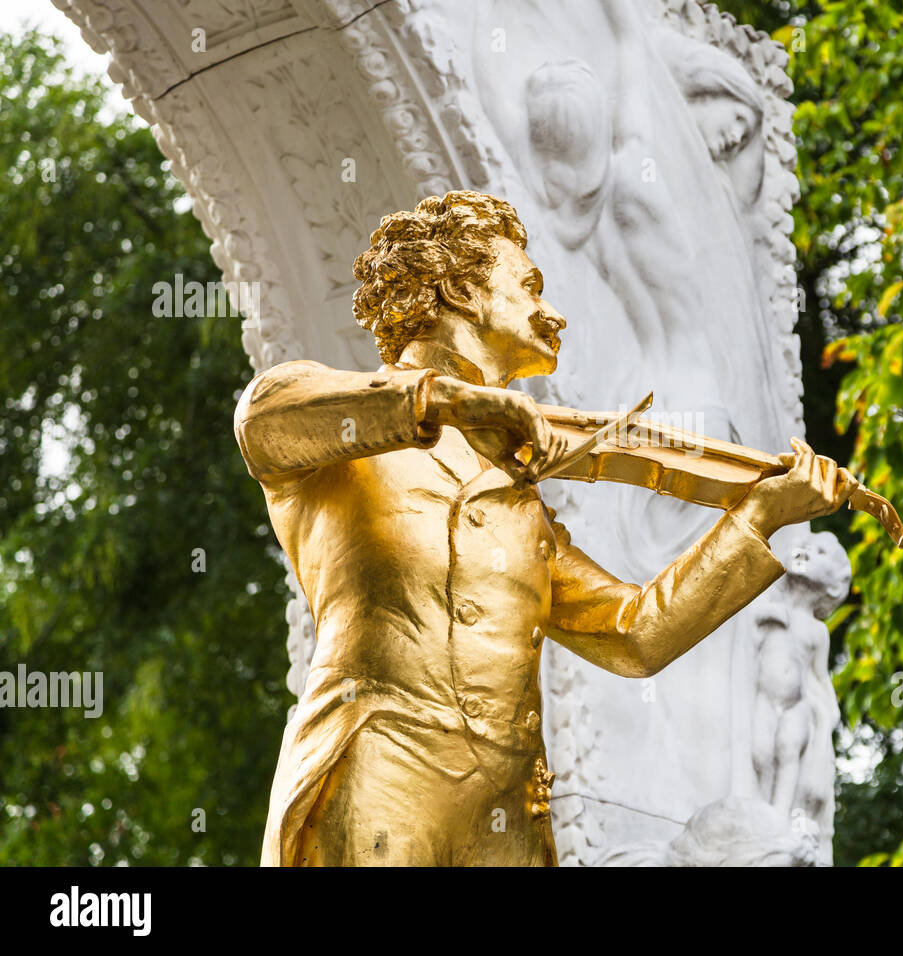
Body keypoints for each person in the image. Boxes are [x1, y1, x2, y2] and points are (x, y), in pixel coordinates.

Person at [235, 190, 857, 866]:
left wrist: (759, 515)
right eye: (529, 287)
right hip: (379, 771)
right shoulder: (339, 425)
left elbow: (635, 634)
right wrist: (454, 399)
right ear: (462, 289)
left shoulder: (524, 509)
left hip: (506, 815)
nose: (552, 313)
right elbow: (263, 421)